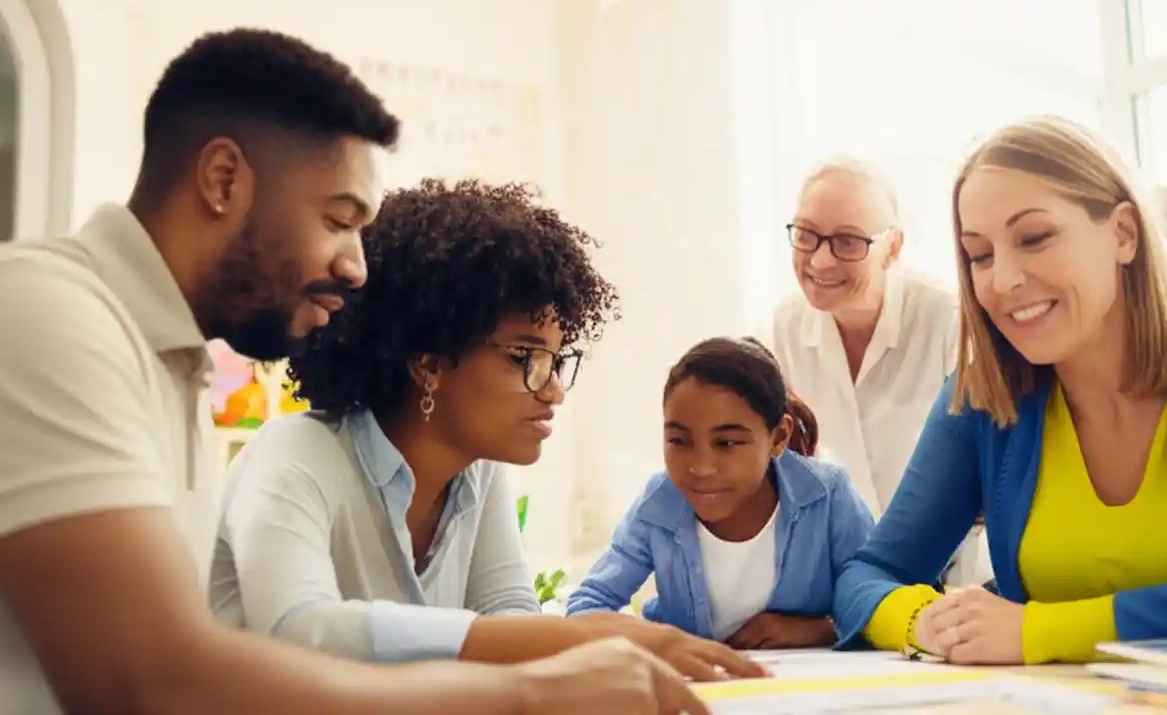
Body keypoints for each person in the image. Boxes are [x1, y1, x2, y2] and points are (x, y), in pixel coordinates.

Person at [0, 28, 709, 714]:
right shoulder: (46, 310)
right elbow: (148, 683)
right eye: (339, 220)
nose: (355, 267)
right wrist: (529, 694)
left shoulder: (170, 365)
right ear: (223, 179)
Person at [210, 180, 765, 681]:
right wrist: (576, 635)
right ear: (428, 363)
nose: (553, 390)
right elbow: (300, 627)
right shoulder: (295, 454)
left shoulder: (477, 473)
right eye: (525, 356)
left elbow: (510, 618)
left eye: (554, 359)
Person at [832, 116, 1167, 666]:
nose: (1002, 280)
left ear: (1123, 233)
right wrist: (925, 621)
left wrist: (1042, 630)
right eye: (980, 255)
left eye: (1034, 239)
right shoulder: (982, 401)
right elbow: (867, 577)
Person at [759, 158, 989, 585]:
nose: (821, 261)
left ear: (894, 247)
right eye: (806, 235)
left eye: (847, 241)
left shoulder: (951, 320)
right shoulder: (783, 328)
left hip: (960, 586)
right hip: (851, 586)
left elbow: (978, 486)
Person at [566, 337, 875, 650]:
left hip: (813, 689)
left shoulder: (827, 497)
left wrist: (824, 628)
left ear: (779, 437)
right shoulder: (659, 506)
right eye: (679, 441)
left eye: (726, 443)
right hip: (702, 690)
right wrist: (655, 640)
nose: (701, 467)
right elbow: (587, 607)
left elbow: (882, 597)